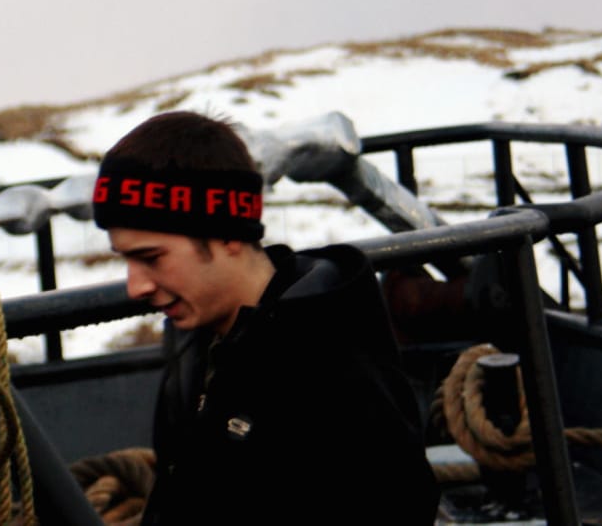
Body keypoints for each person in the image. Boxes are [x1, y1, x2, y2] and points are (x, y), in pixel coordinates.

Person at [91, 110, 440, 524]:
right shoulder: (197, 342)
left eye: (151, 258)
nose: (135, 287)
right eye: (126, 260)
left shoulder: (333, 368)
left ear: (226, 232)